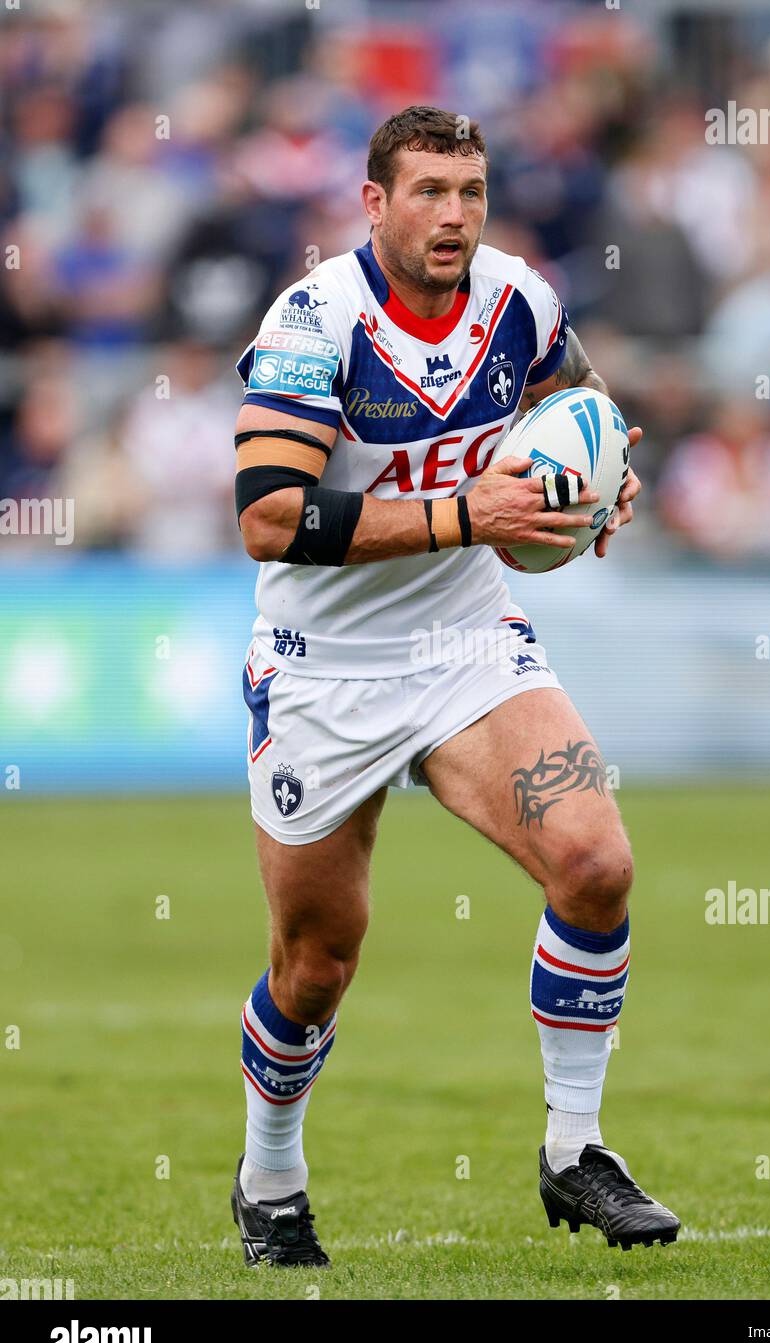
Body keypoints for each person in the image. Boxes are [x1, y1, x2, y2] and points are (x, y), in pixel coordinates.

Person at [229, 105, 679, 1266]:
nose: (454, 215)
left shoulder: (516, 298)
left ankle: (574, 1150)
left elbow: (579, 409)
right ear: (372, 203)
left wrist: (603, 483)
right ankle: (269, 1176)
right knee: (317, 963)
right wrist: (462, 512)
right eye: (428, 192)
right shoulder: (314, 320)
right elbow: (268, 515)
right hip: (324, 673)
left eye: (470, 192)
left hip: (469, 643)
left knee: (596, 863)